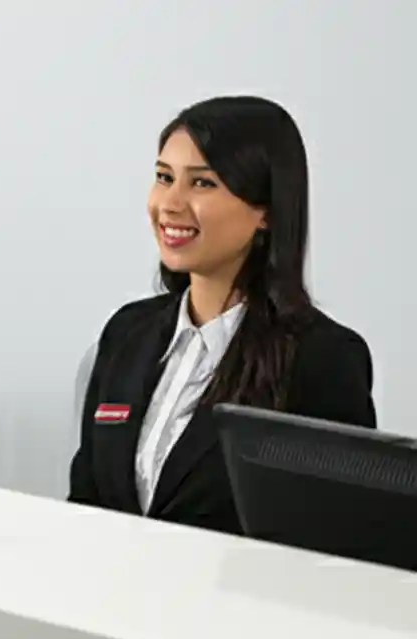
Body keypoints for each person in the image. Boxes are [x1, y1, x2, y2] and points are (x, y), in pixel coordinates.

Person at [68, 95, 376, 534]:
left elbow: (342, 541)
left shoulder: (322, 358)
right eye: (163, 177)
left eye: (202, 183)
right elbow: (84, 505)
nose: (170, 204)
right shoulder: (126, 334)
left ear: (266, 210)